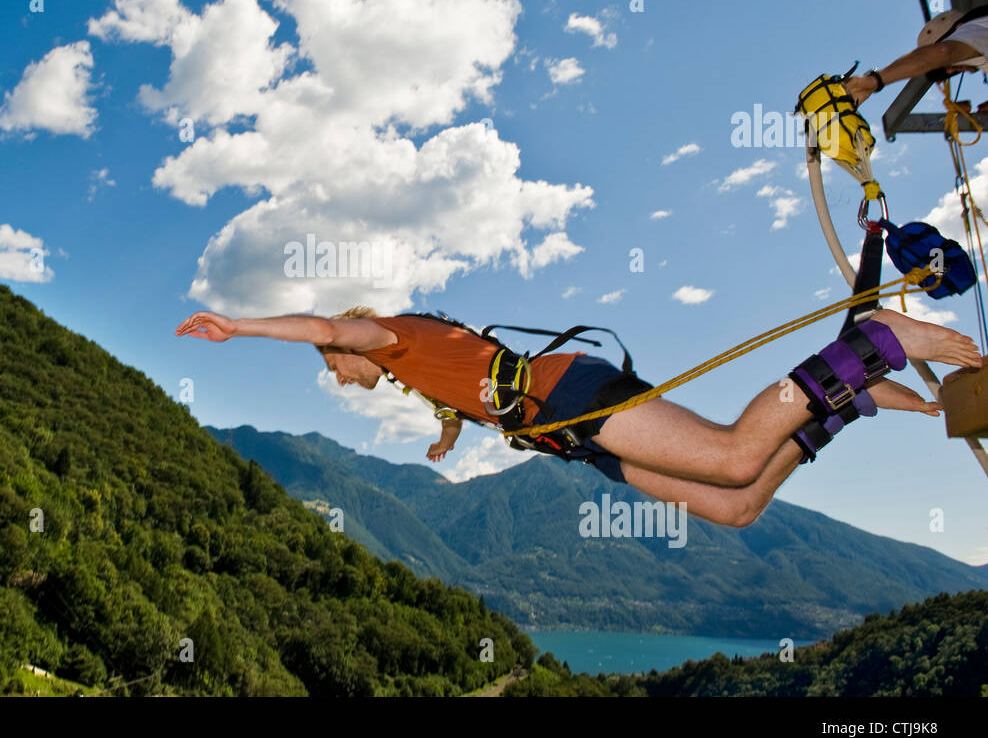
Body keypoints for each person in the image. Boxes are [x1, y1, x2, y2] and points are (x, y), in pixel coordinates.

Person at [175, 307, 981, 528]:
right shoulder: (411, 368)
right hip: (570, 441)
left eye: (337, 370)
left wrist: (238, 325)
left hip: (569, 395)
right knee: (735, 506)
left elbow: (323, 327)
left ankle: (876, 343)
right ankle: (844, 399)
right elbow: (456, 398)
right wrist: (444, 434)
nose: (341, 378)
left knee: (736, 456)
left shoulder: (386, 335)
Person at [845, 8, 988, 106]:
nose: (950, 71)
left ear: (959, 27)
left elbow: (943, 52)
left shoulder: (976, 29)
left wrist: (873, 81)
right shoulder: (981, 52)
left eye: (945, 65)